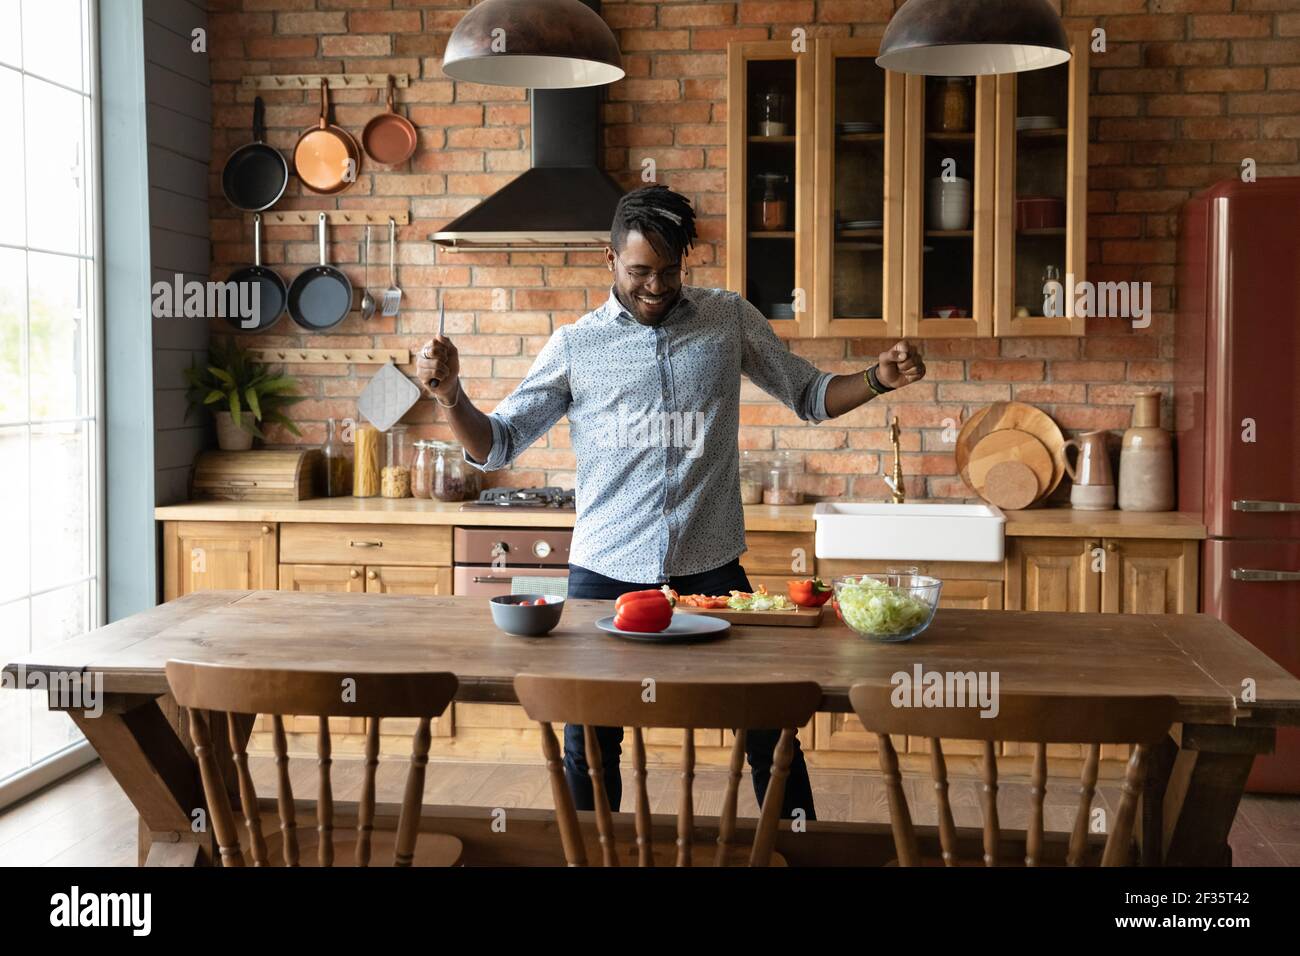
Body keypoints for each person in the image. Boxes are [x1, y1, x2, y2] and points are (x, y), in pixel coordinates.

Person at [416, 184, 926, 820]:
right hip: (605, 573)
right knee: (589, 740)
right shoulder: (577, 346)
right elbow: (498, 445)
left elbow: (810, 395)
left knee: (771, 725)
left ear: (686, 262)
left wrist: (879, 379)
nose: (655, 286)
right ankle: (591, 857)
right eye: (639, 272)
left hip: (711, 568)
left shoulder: (727, 320)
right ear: (609, 260)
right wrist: (450, 396)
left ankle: (799, 848)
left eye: (668, 271)